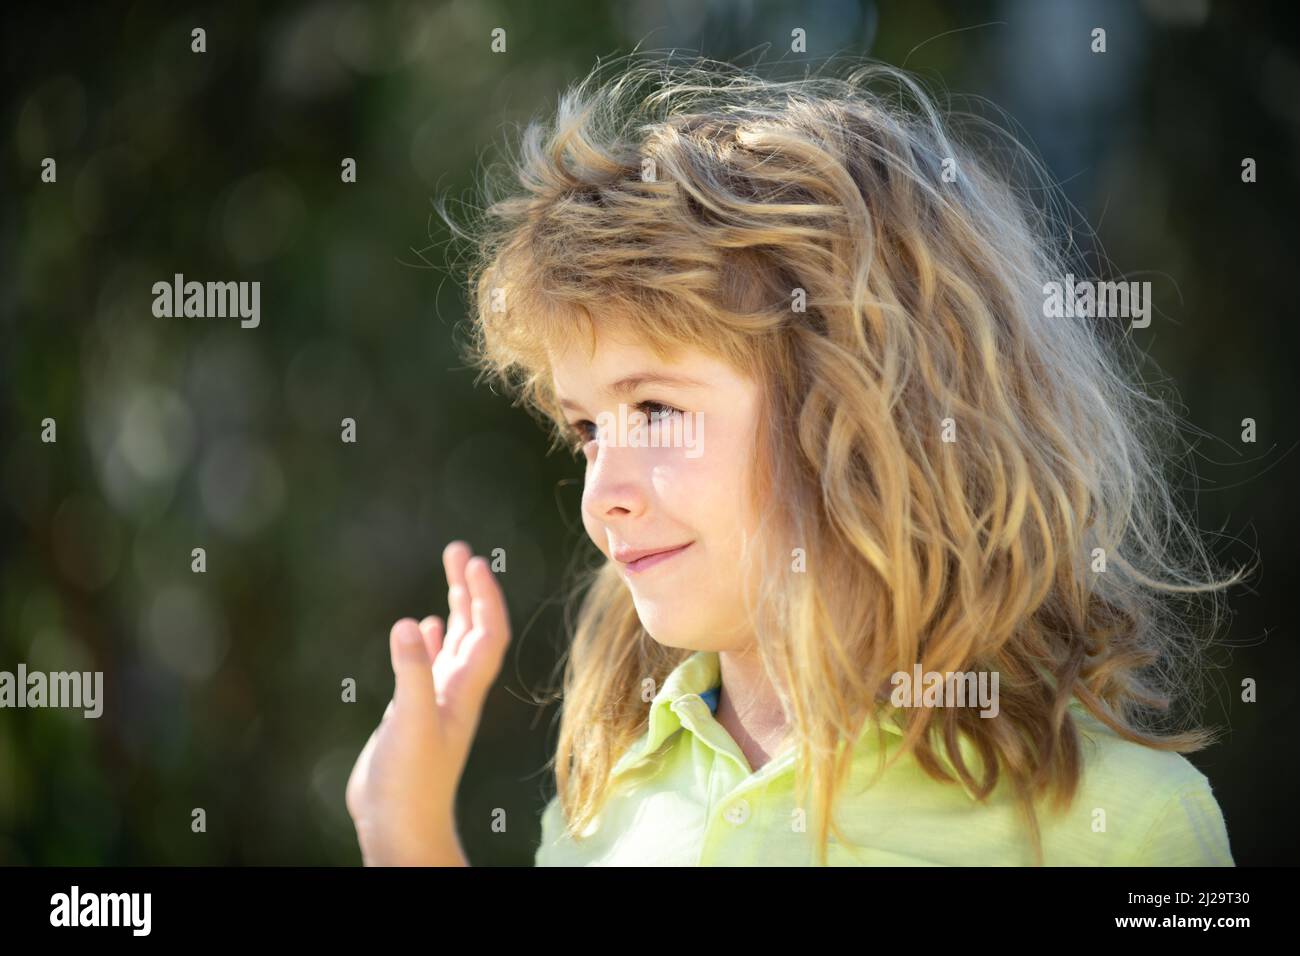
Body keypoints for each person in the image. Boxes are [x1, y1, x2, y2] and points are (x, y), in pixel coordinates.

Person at [346, 53, 1245, 866]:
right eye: (587, 431)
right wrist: (403, 828)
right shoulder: (611, 795)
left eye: (655, 410)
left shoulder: (1124, 825)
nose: (600, 500)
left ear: (867, 414)